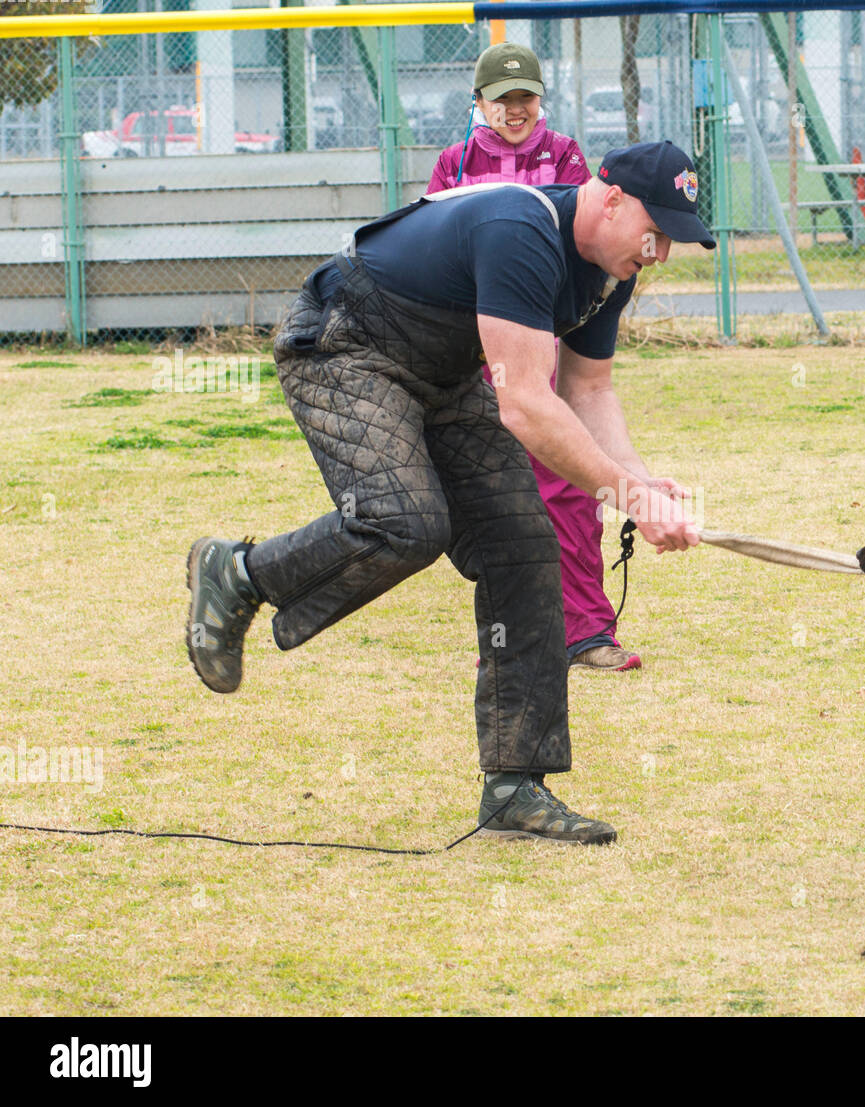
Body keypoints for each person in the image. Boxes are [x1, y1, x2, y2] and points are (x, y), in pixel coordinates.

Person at [186, 141, 714, 845]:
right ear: (610, 198)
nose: (661, 253)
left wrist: (639, 483)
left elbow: (587, 389)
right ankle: (239, 573)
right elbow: (526, 405)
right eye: (658, 231)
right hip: (348, 342)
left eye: (674, 240)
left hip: (449, 373)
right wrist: (630, 496)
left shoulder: (607, 277)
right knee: (404, 521)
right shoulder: (521, 231)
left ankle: (514, 790)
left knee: (524, 547)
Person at [430, 43, 640, 673]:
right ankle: (510, 635)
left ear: (540, 100)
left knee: (571, 484)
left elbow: (580, 242)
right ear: (480, 104)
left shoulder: (568, 155)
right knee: (489, 497)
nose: (515, 110)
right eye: (502, 99)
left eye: (526, 98)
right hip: (472, 352)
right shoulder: (455, 162)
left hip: (541, 347)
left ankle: (587, 631)